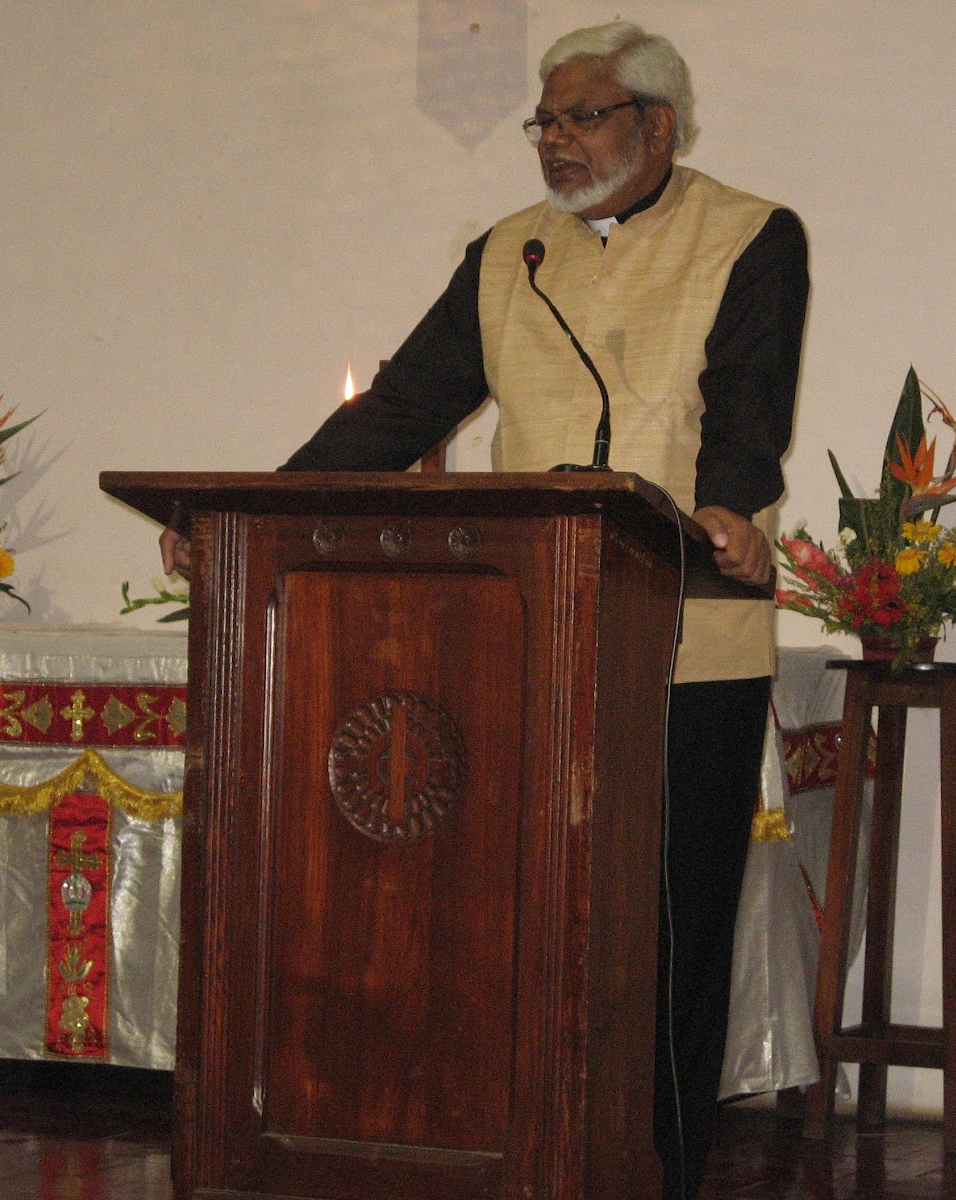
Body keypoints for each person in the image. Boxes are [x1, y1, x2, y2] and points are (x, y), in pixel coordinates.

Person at [160, 21, 807, 1200]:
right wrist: (243, 510)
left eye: (582, 117)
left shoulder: (749, 234)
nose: (555, 143)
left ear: (656, 125)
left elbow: (746, 404)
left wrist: (727, 510)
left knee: (665, 937)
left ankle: (656, 1171)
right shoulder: (507, 253)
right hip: (522, 644)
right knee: (506, 927)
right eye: (543, 123)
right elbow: (401, 407)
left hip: (680, 639)